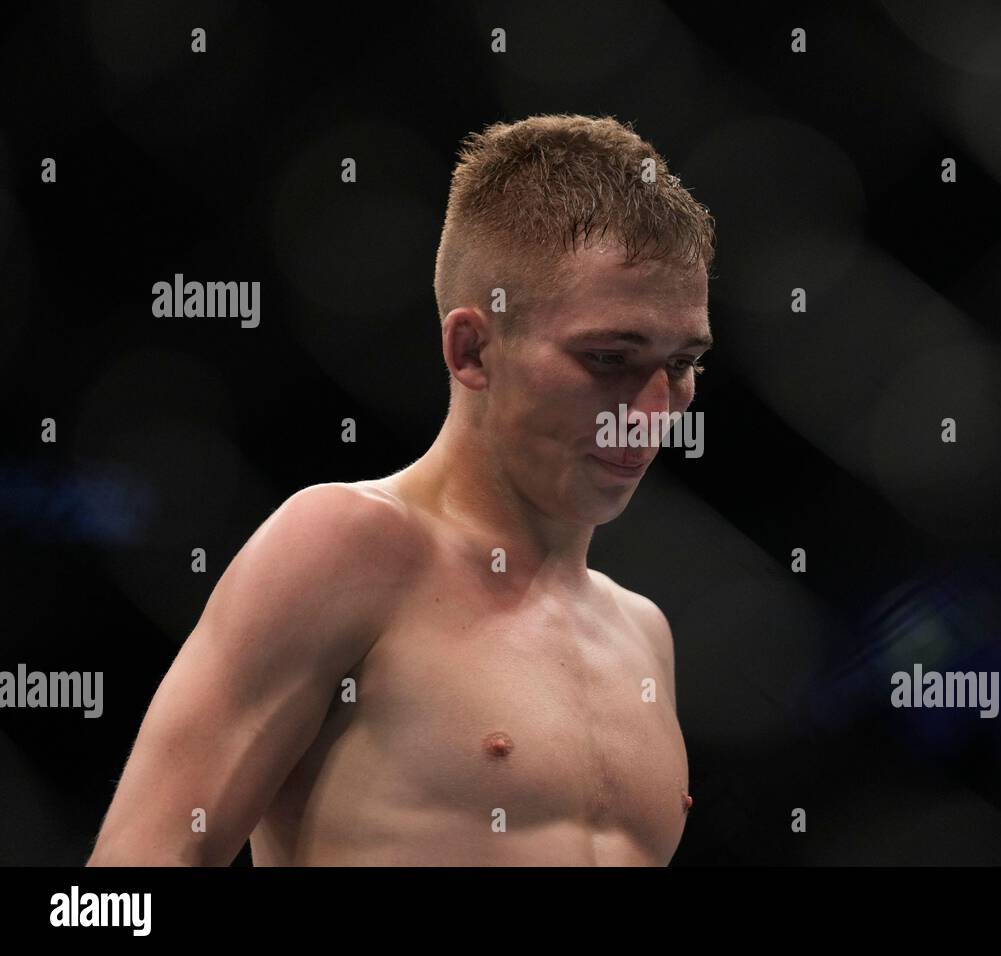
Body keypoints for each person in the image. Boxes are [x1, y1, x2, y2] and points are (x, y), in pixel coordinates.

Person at [86, 113, 715, 866]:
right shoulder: (345, 544)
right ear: (473, 348)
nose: (652, 412)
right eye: (609, 358)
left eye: (681, 364)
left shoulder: (643, 633)